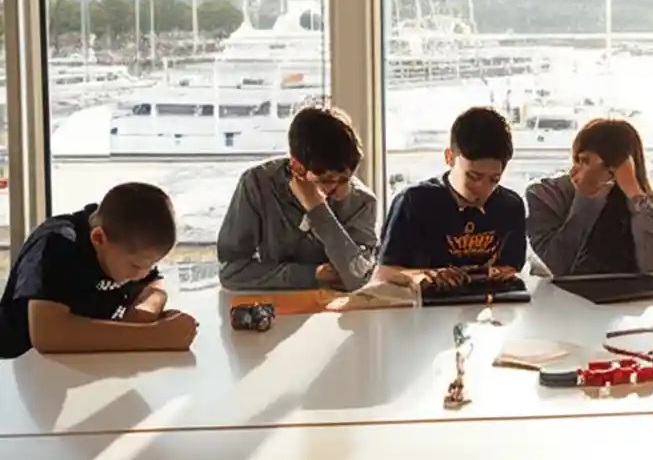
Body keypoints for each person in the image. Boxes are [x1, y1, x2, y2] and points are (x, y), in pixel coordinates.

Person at [0, 183, 198, 358]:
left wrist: (143, 314)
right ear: (99, 238)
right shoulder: (57, 244)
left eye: (151, 264)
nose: (143, 274)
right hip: (19, 371)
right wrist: (155, 336)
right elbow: (48, 334)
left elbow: (154, 285)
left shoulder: (125, 242)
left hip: (82, 367)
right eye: (137, 266)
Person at [217, 105, 378, 292]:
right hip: (276, 307)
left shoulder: (363, 202)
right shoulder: (256, 185)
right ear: (297, 167)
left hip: (339, 312)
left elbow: (360, 278)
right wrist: (313, 275)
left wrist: (318, 209)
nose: (342, 192)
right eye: (328, 181)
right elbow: (231, 271)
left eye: (346, 179)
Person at [375, 106, 527, 288]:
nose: (483, 189)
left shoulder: (510, 206)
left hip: (486, 306)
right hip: (424, 308)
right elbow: (383, 273)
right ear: (449, 157)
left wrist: (503, 273)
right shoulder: (414, 202)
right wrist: (423, 276)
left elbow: (511, 267)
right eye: (473, 176)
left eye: (494, 179)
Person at [526, 118, 653, 275]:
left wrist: (635, 194)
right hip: (560, 296)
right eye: (580, 160)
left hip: (624, 294)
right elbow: (555, 267)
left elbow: (651, 265)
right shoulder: (545, 194)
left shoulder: (634, 200)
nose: (577, 169)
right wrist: (586, 198)